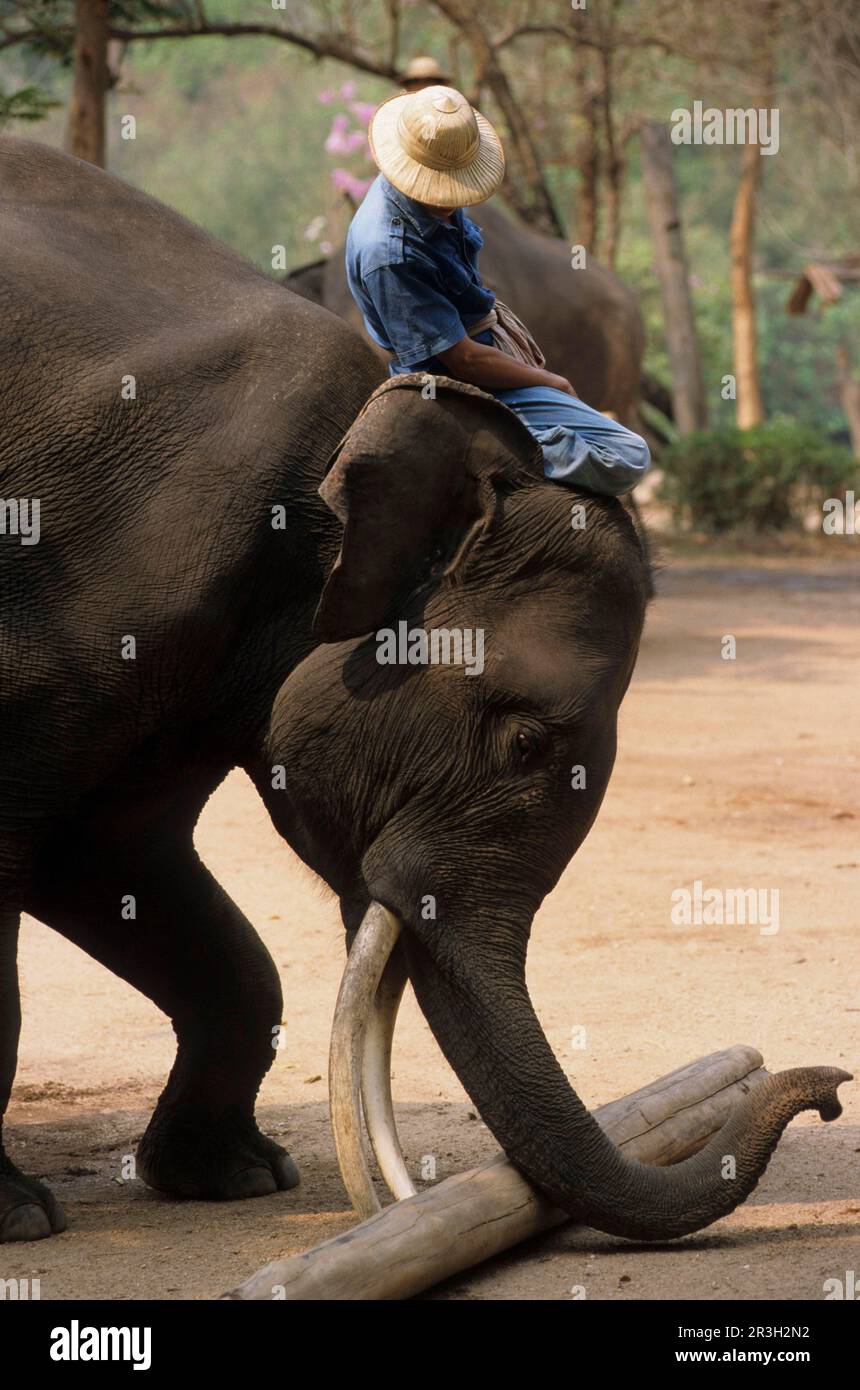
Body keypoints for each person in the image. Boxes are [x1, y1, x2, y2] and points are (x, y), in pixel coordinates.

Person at [345, 85, 650, 497]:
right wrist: (551, 381)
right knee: (626, 454)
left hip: (484, 357)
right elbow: (463, 360)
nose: (451, 197)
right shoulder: (389, 251)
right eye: (444, 185)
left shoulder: (430, 196)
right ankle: (488, 453)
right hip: (452, 387)